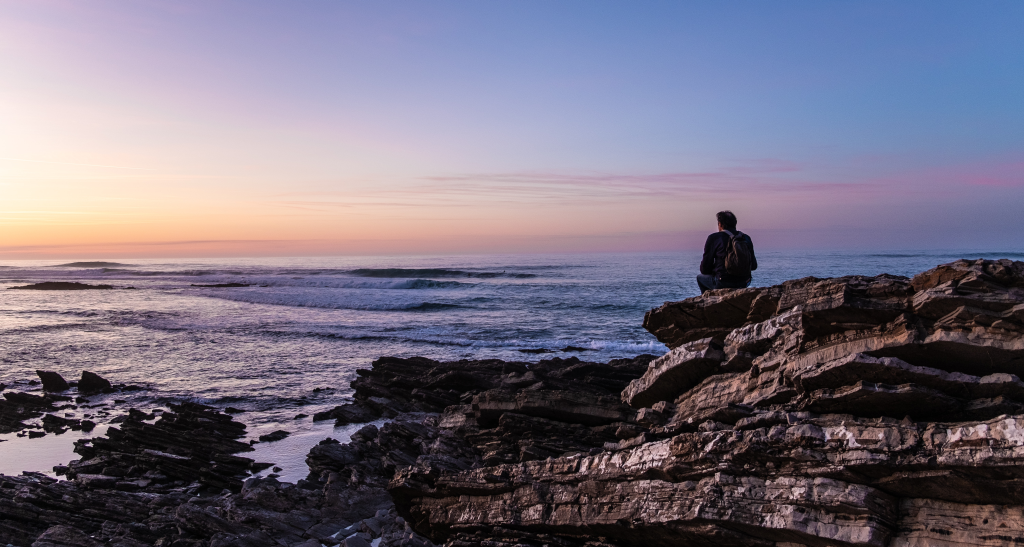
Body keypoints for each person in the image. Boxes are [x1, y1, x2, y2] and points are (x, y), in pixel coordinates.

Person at [697, 211, 757, 294]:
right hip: (745, 282)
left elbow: (705, 269)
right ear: (735, 223)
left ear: (720, 224)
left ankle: (709, 302)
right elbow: (753, 266)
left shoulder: (714, 238)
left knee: (700, 278)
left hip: (723, 282)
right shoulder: (745, 238)